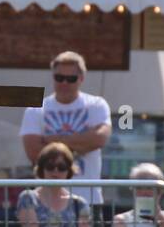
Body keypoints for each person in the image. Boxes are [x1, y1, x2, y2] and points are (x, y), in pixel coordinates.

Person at [20, 50, 111, 205]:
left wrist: (52, 141)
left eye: (71, 79)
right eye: (59, 78)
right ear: (53, 77)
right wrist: (81, 143)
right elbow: (34, 152)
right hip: (46, 202)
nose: (64, 83)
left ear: (81, 78)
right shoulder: (35, 109)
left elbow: (99, 139)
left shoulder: (96, 105)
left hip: (89, 199)